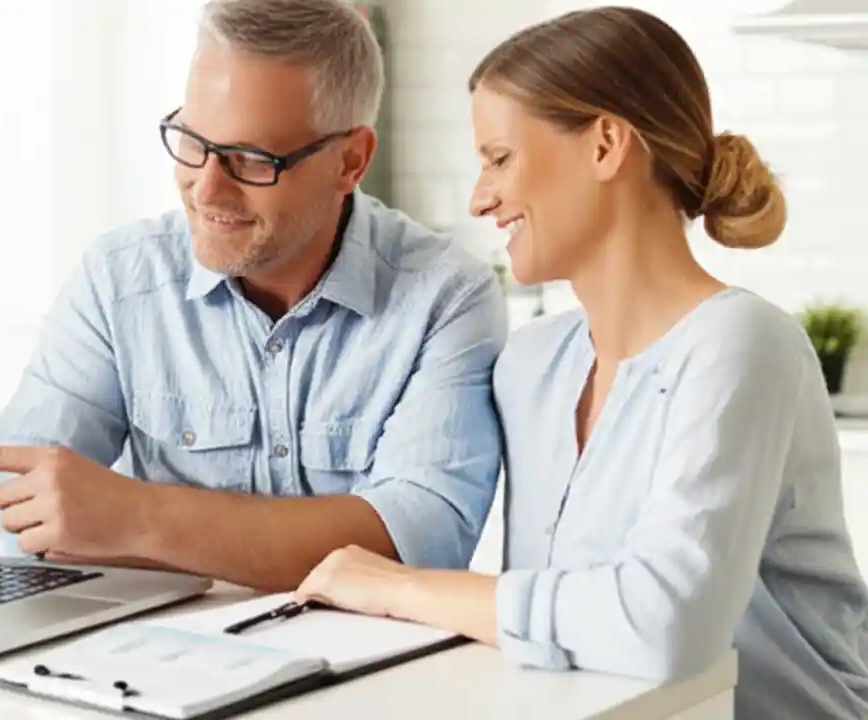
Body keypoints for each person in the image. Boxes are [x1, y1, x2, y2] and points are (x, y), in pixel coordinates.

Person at [293, 7, 868, 718]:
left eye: (499, 158)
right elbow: (556, 635)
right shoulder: (533, 365)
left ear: (604, 145)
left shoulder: (743, 342)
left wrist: (396, 586)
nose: (480, 197)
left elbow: (664, 625)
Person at [0, 0, 506, 591]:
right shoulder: (120, 280)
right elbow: (10, 509)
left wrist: (132, 517)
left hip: (368, 673)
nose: (207, 188)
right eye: (191, 141)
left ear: (350, 161)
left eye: (251, 159)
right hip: (147, 664)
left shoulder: (445, 297)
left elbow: (419, 540)